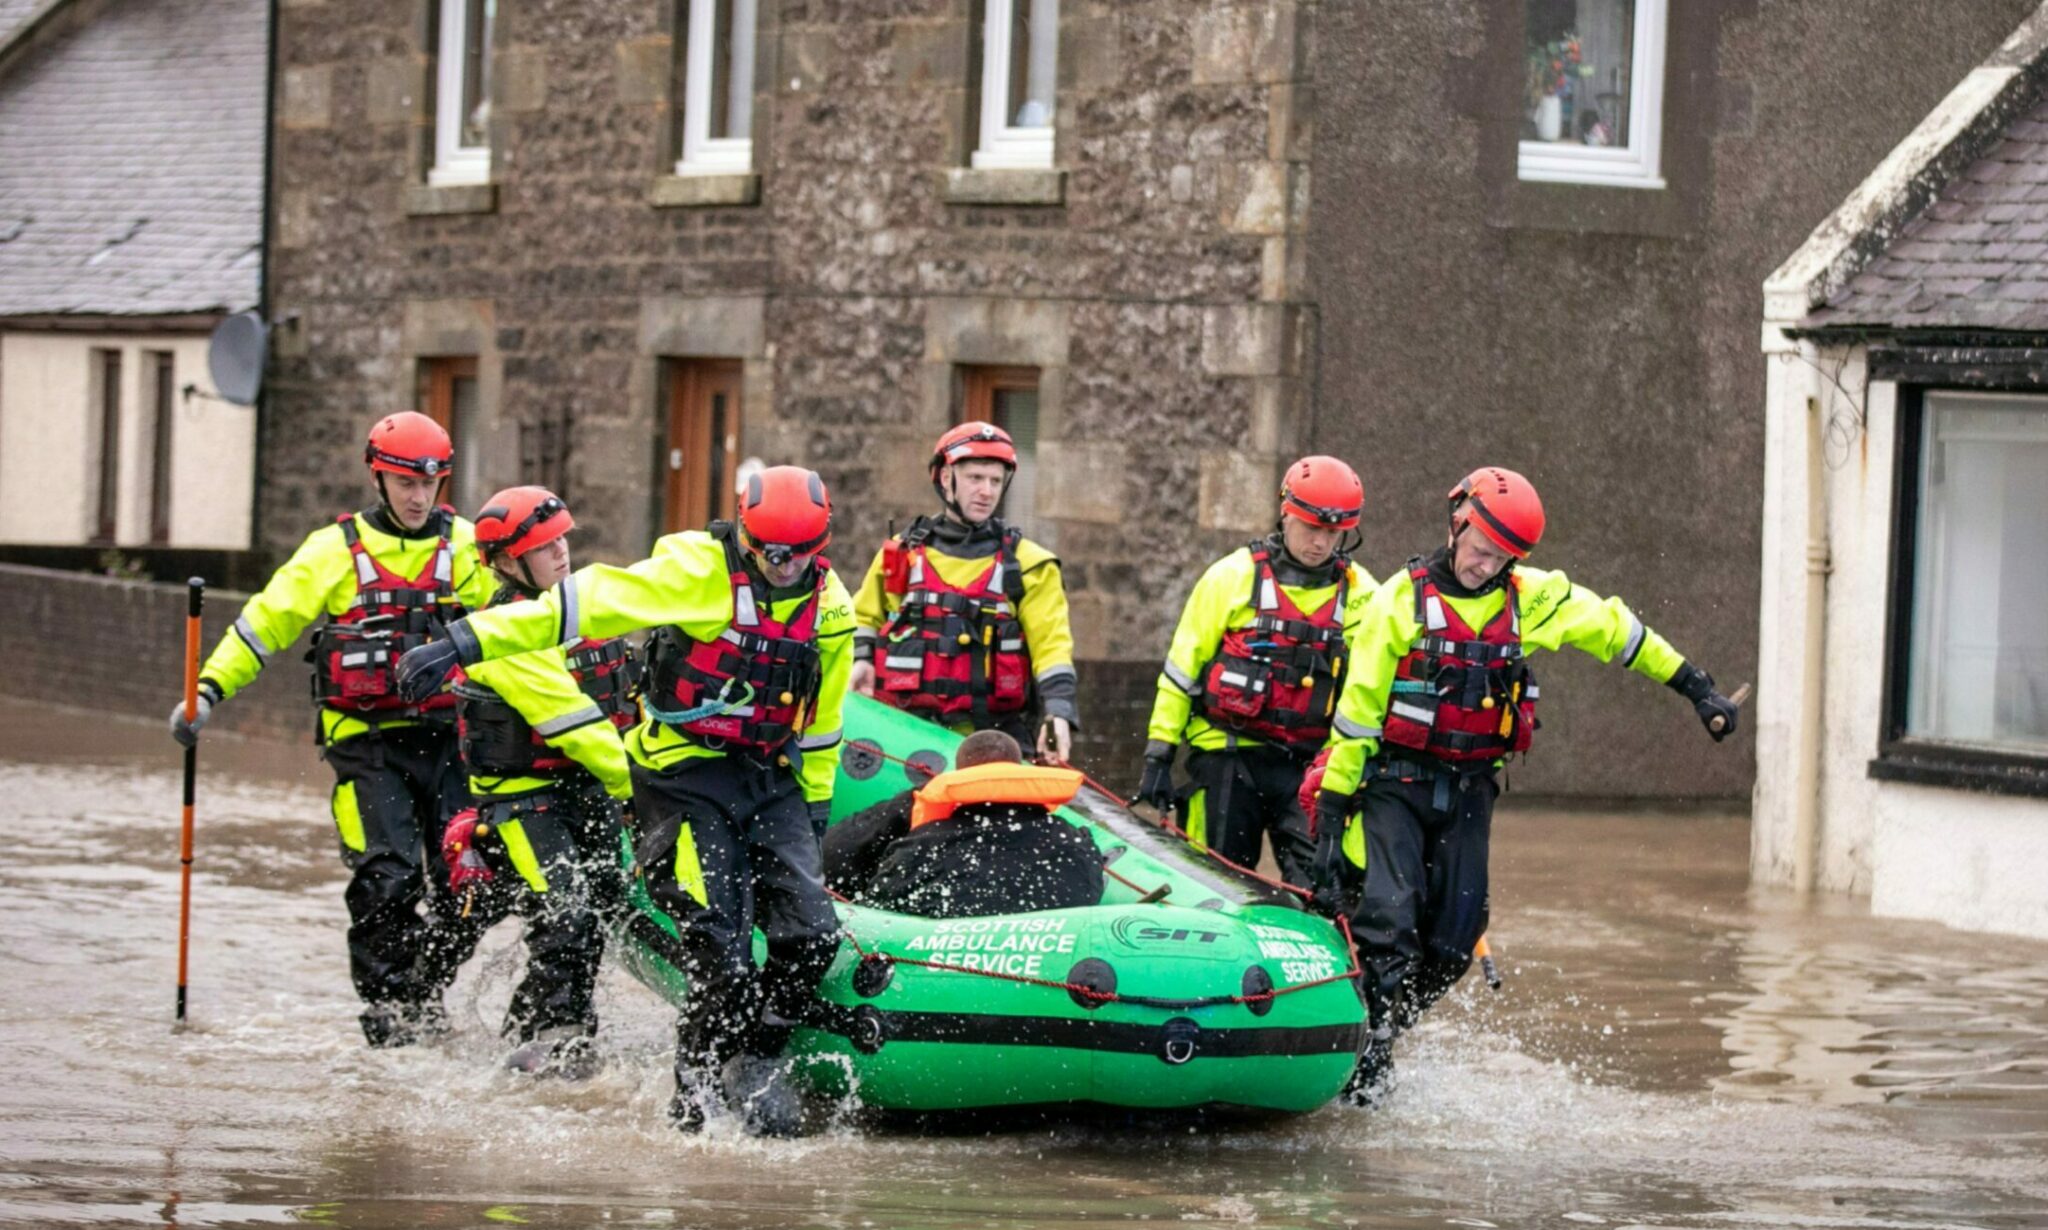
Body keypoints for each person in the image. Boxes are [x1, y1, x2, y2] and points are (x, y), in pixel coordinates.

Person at [393, 465, 851, 1133]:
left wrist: (814, 812)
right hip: (673, 780)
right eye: (772, 553)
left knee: (812, 938)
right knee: (710, 953)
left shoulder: (833, 605)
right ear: (749, 539)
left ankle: (758, 1055)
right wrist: (462, 641)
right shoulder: (698, 567)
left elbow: (826, 717)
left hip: (764, 776)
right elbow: (588, 601)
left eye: (801, 553)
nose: (785, 568)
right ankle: (688, 1109)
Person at [1306, 466, 1742, 1103]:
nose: (1485, 565)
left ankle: (1386, 1030)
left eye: (1501, 557)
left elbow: (1619, 632)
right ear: (1458, 523)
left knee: (1455, 945)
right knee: (1389, 930)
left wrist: (1698, 689)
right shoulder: (1398, 601)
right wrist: (1333, 810)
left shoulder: (1533, 599)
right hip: (1393, 786)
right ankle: (1365, 1067)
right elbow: (1357, 719)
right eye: (1479, 549)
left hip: (1471, 791)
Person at [167, 411, 498, 1046]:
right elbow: (265, 623)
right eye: (405, 482)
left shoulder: (466, 548)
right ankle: (388, 1010)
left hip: (454, 744)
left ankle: (422, 986)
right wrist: (206, 692)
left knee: (476, 882)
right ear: (378, 477)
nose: (418, 496)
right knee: (388, 876)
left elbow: (521, 625)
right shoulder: (331, 551)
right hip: (367, 746)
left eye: (430, 483)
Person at [438, 486, 638, 1078]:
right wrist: (643, 791)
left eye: (562, 540)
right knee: (566, 909)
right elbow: (576, 724)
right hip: (521, 802)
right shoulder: (502, 632)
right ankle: (553, 1039)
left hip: (587, 789)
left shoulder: (583, 611)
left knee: (597, 908)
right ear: (505, 561)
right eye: (543, 546)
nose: (561, 553)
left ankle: (539, 1037)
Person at [1136, 456, 1374, 888]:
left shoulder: (1364, 596)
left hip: (1310, 768)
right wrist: (1159, 753)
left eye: (1334, 533)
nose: (1321, 542)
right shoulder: (1230, 577)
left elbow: (1371, 695)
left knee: (1323, 888)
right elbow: (1181, 673)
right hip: (1227, 755)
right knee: (1216, 883)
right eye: (1311, 528)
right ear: (1286, 512)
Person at [849, 422, 1080, 762]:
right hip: (903, 740)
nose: (987, 491)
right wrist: (862, 659)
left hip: (992, 742)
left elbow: (1053, 649)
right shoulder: (902, 554)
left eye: (996, 481)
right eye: (975, 478)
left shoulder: (1031, 565)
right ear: (946, 478)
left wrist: (1059, 710)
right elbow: (863, 616)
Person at [824, 729, 1103, 917]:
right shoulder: (1074, 842)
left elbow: (834, 857)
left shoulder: (921, 846)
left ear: (959, 776)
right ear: (1017, 769)